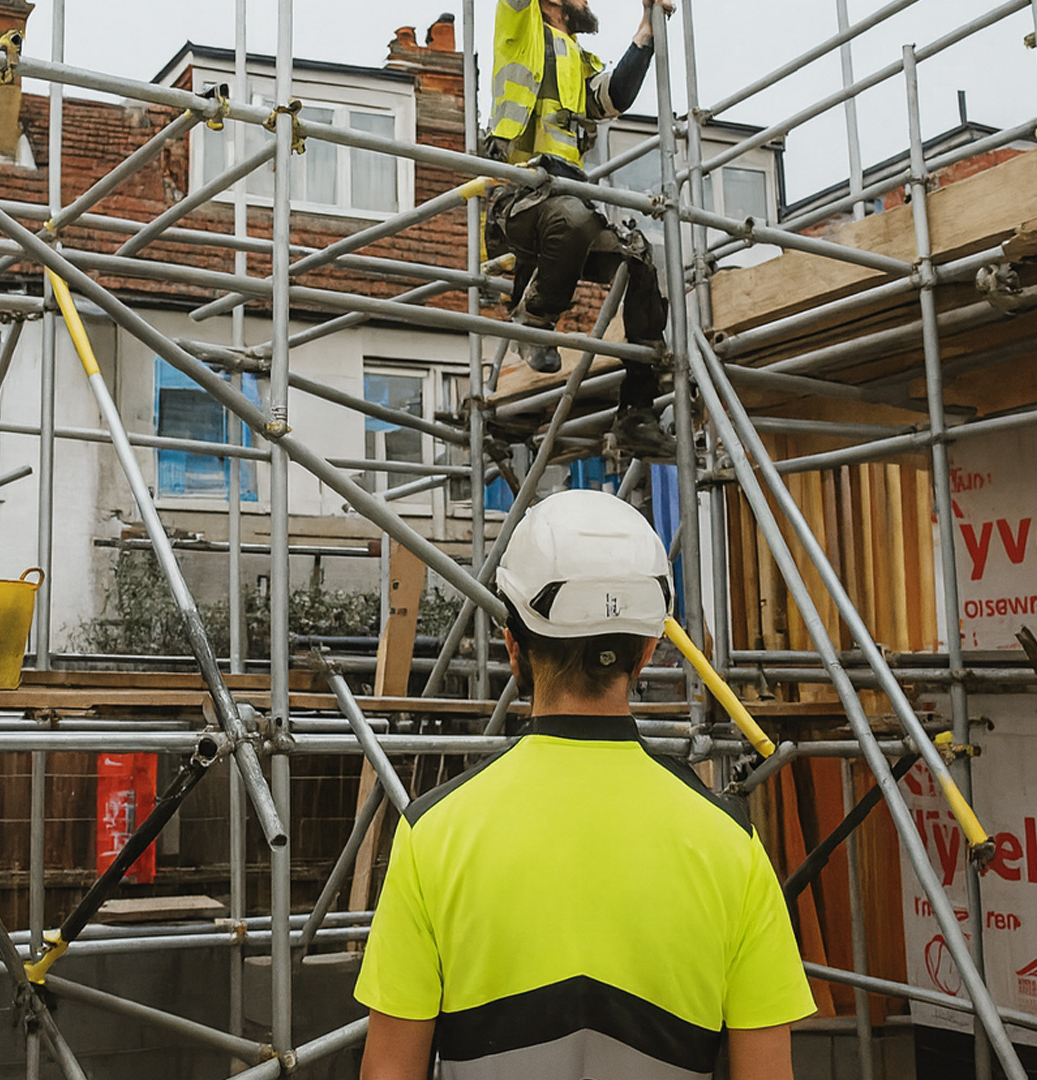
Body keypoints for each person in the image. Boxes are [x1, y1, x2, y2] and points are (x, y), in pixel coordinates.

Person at [354, 488, 815, 1080]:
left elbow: (389, 1072)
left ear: (512, 645)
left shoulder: (432, 833)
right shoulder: (732, 846)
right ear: (647, 650)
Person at [483, 0, 677, 458]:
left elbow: (615, 96)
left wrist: (645, 29)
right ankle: (533, 321)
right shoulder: (519, 25)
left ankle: (637, 411)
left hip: (569, 201)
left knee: (639, 261)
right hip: (521, 199)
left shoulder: (578, 59)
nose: (588, 2)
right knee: (572, 218)